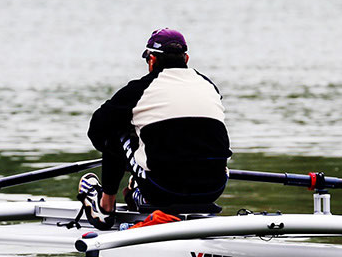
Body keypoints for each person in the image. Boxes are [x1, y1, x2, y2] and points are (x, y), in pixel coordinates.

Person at [80, 28, 231, 229]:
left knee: (114, 130)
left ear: (151, 60)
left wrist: (126, 155)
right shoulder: (209, 86)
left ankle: (105, 206)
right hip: (215, 188)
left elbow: (96, 131)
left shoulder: (139, 90)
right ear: (186, 58)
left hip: (163, 190)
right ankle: (141, 189)